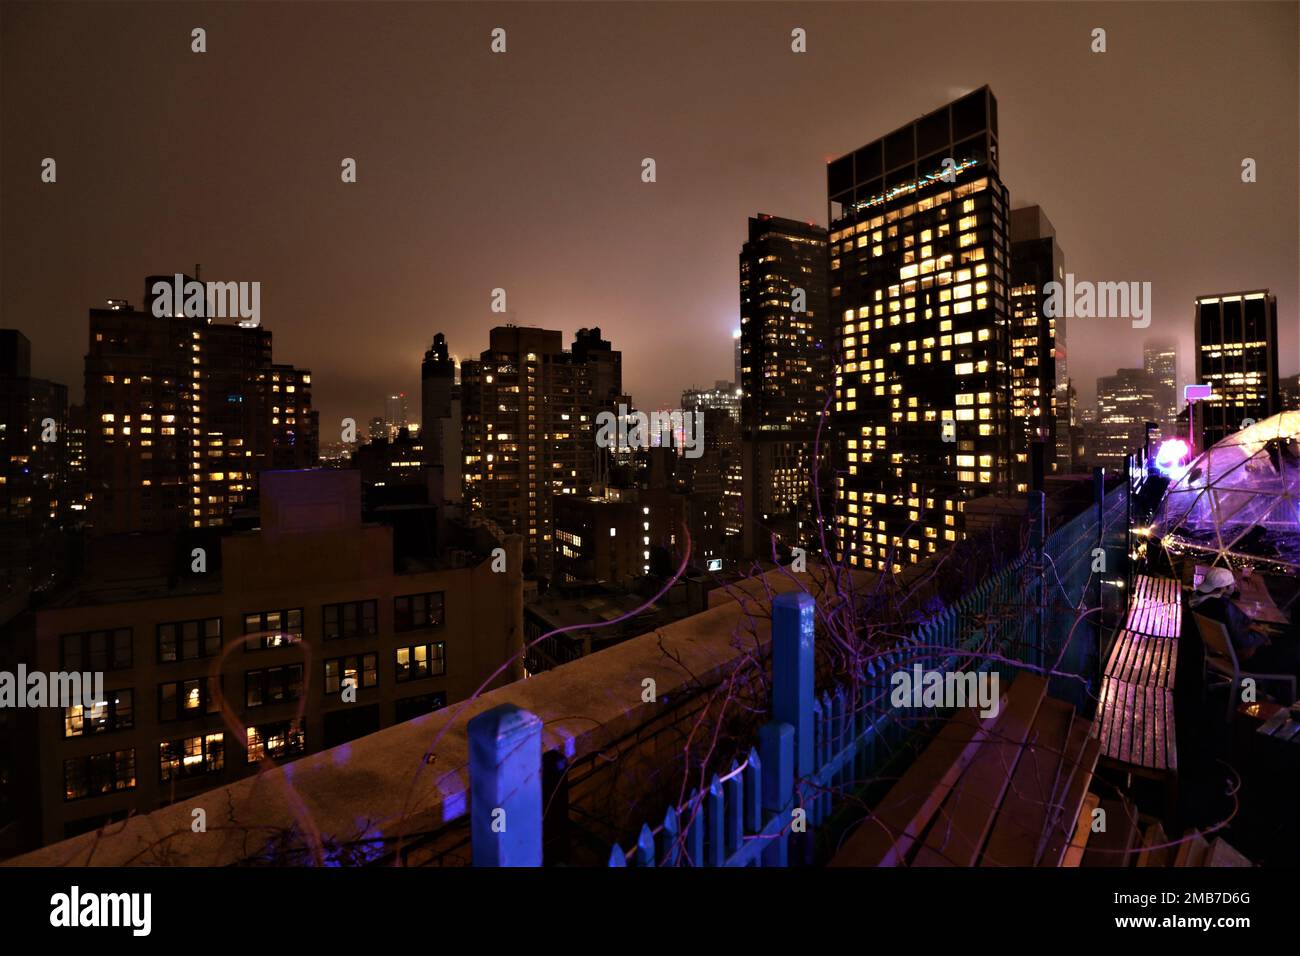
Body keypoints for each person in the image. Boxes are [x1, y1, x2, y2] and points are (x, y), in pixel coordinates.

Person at [1192, 566, 1300, 678]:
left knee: (1287, 642)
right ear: (1226, 587)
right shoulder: (1224, 607)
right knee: (1292, 650)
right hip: (1245, 661)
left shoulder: (1202, 604)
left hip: (1227, 653)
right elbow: (1242, 641)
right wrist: (1262, 635)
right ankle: (1256, 693)